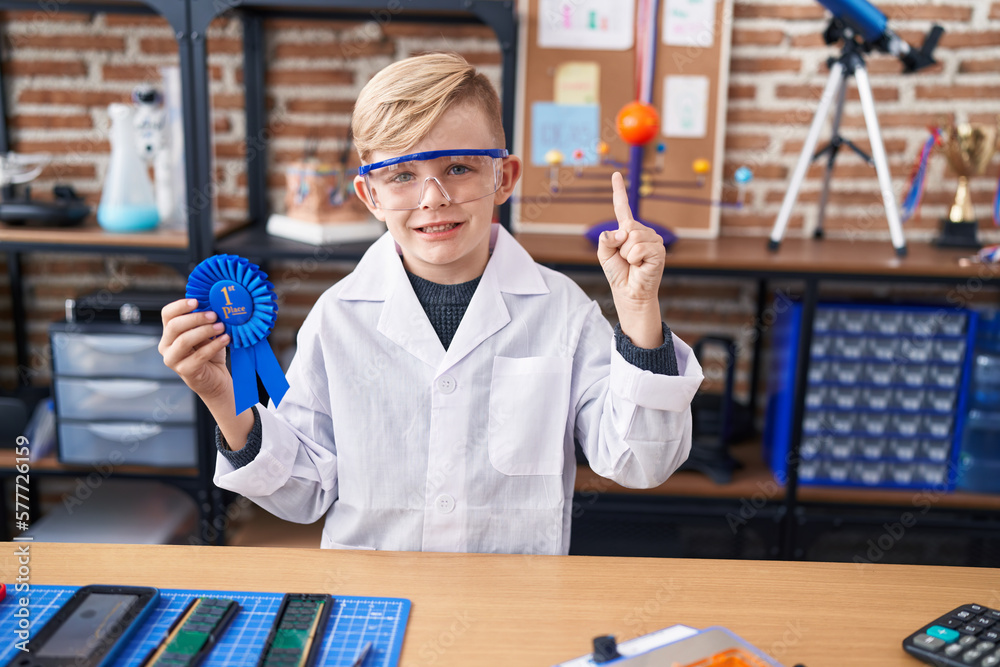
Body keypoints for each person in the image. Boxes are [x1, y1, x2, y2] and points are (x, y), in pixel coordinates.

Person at [158, 52, 703, 555]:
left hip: (515, 606)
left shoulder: (561, 308)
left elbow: (640, 461)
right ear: (370, 195)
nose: (432, 198)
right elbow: (303, 494)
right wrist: (223, 398)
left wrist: (638, 316)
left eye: (459, 168)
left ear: (503, 176)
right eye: (402, 175)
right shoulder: (338, 316)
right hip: (370, 602)